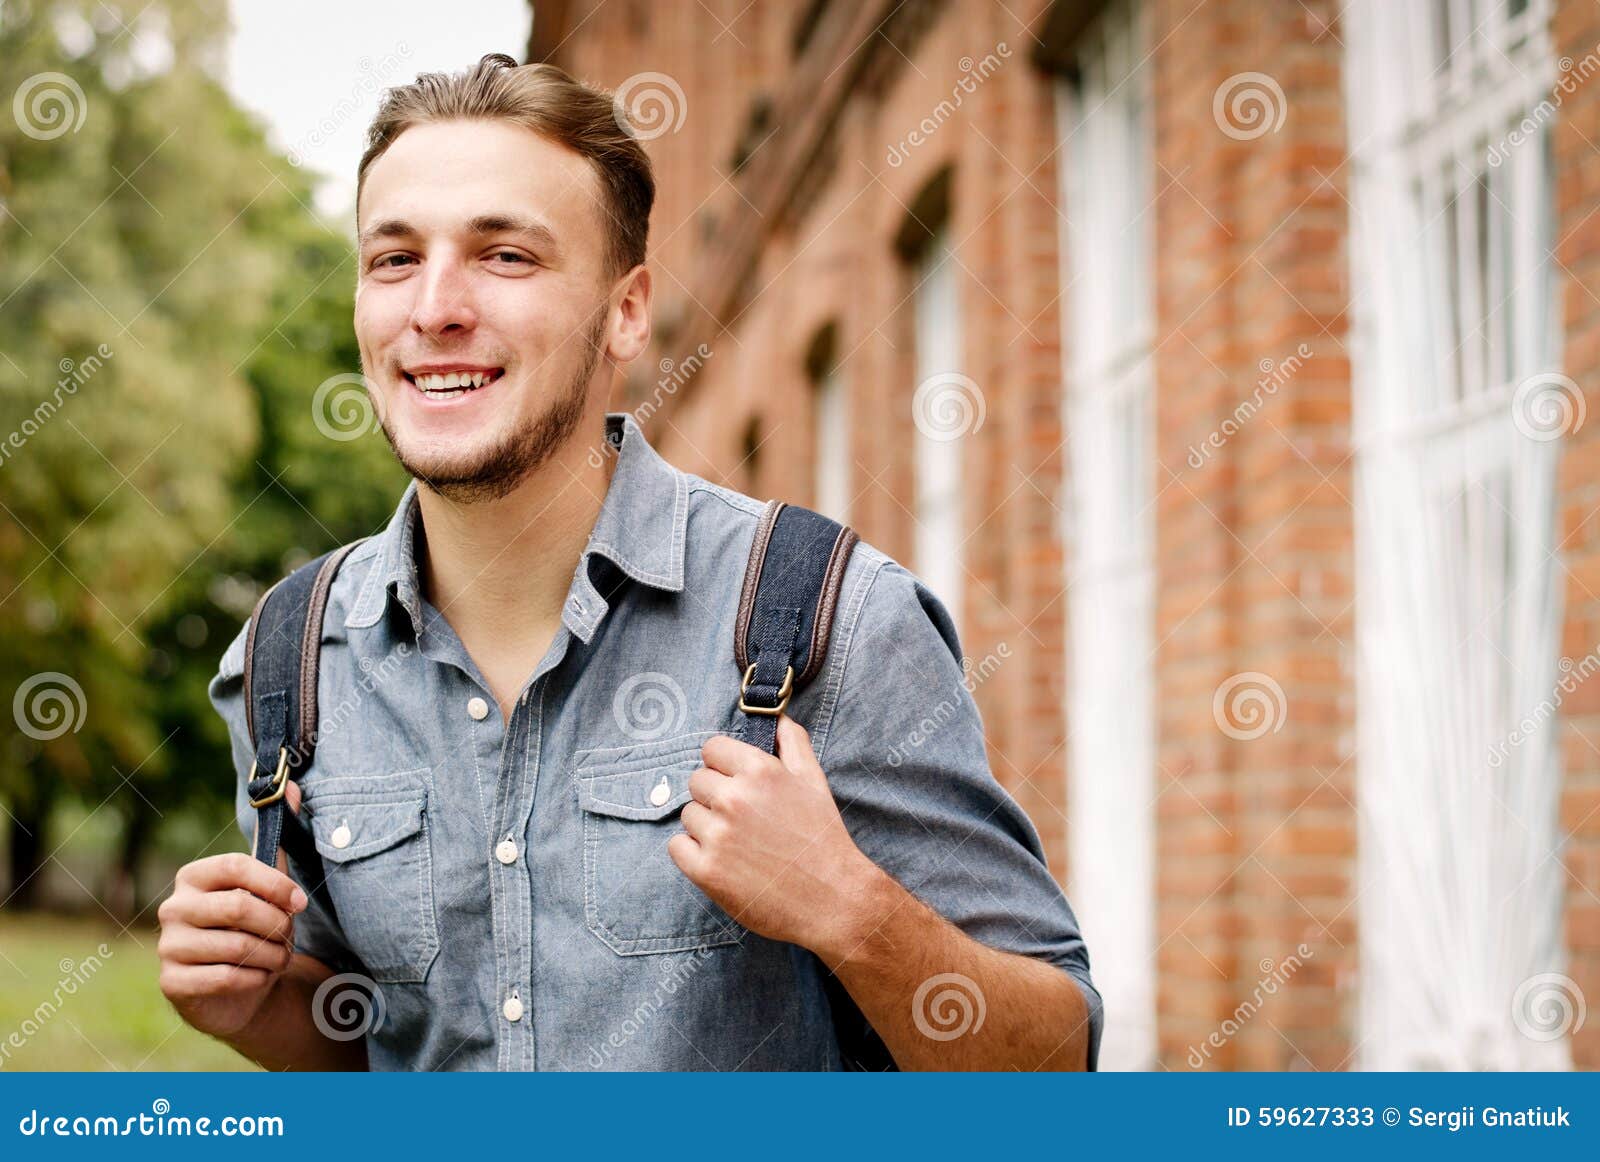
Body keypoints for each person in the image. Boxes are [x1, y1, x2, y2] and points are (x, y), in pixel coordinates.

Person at [156, 53, 1102, 1071]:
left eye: (505, 256)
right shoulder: (290, 660)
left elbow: (1051, 1058)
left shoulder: (828, 617)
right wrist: (254, 1002)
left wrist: (848, 908)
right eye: (394, 260)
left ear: (627, 311)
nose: (434, 307)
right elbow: (376, 1042)